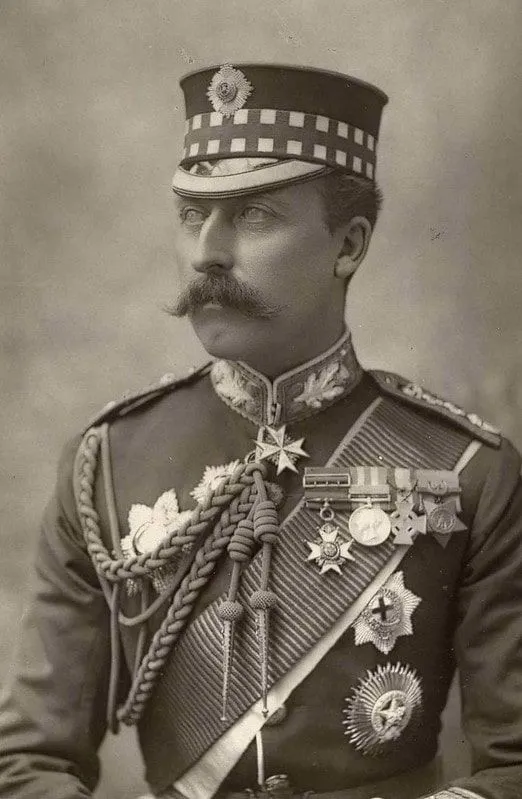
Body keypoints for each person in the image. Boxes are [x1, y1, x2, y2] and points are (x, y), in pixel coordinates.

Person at [0, 62, 521, 799]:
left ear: (349, 244)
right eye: (191, 213)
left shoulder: (466, 468)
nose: (208, 250)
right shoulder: (110, 463)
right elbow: (28, 763)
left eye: (254, 215)